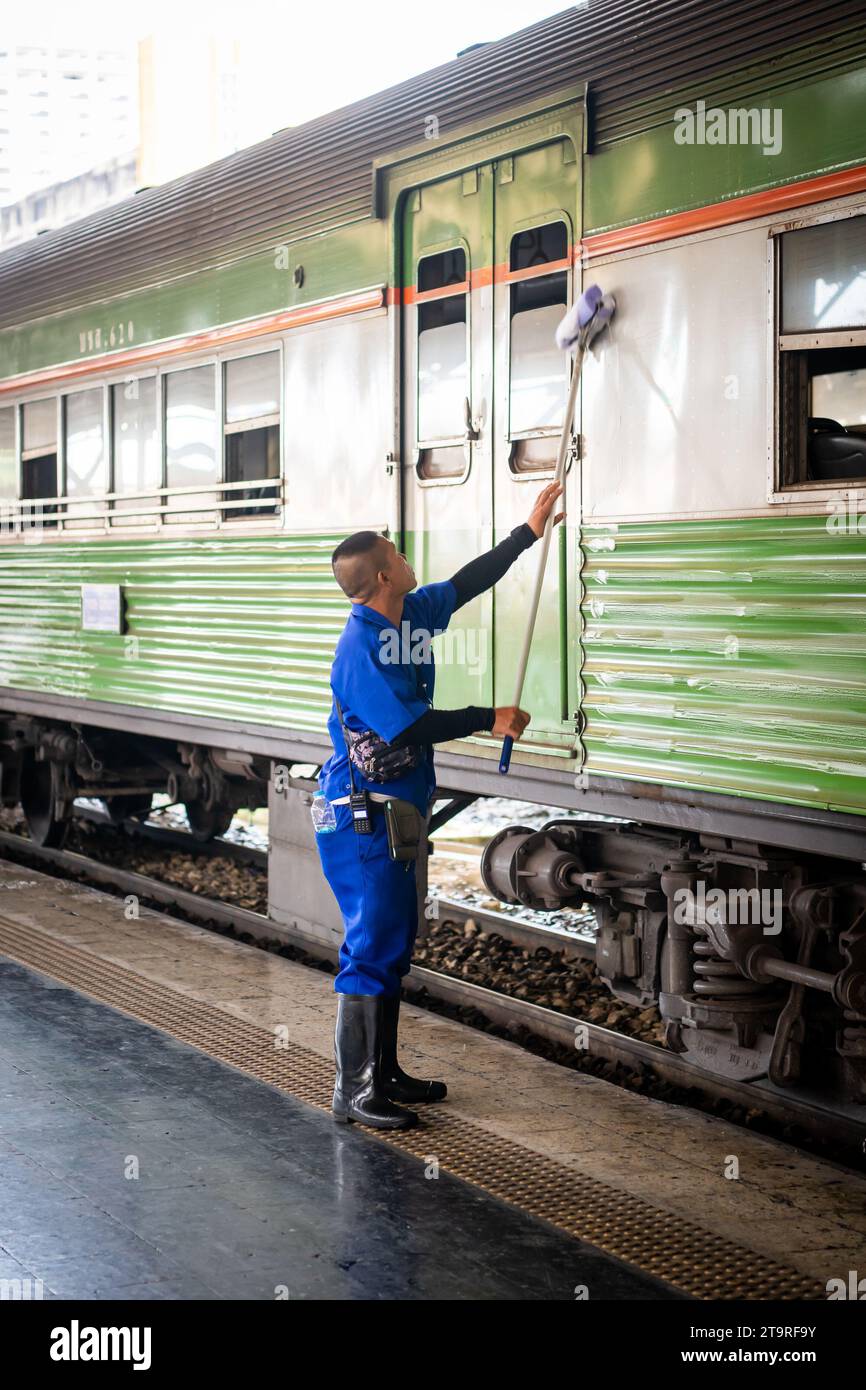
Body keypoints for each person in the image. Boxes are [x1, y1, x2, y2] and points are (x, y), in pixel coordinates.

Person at [315, 481, 565, 1130]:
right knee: (372, 943)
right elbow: (404, 728)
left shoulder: (413, 612)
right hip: (360, 815)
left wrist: (528, 533)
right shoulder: (359, 650)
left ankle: (385, 1074)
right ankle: (353, 1090)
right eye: (395, 554)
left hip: (395, 808)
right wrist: (492, 717)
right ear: (378, 578)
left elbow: (468, 582)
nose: (405, 556)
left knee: (395, 941)